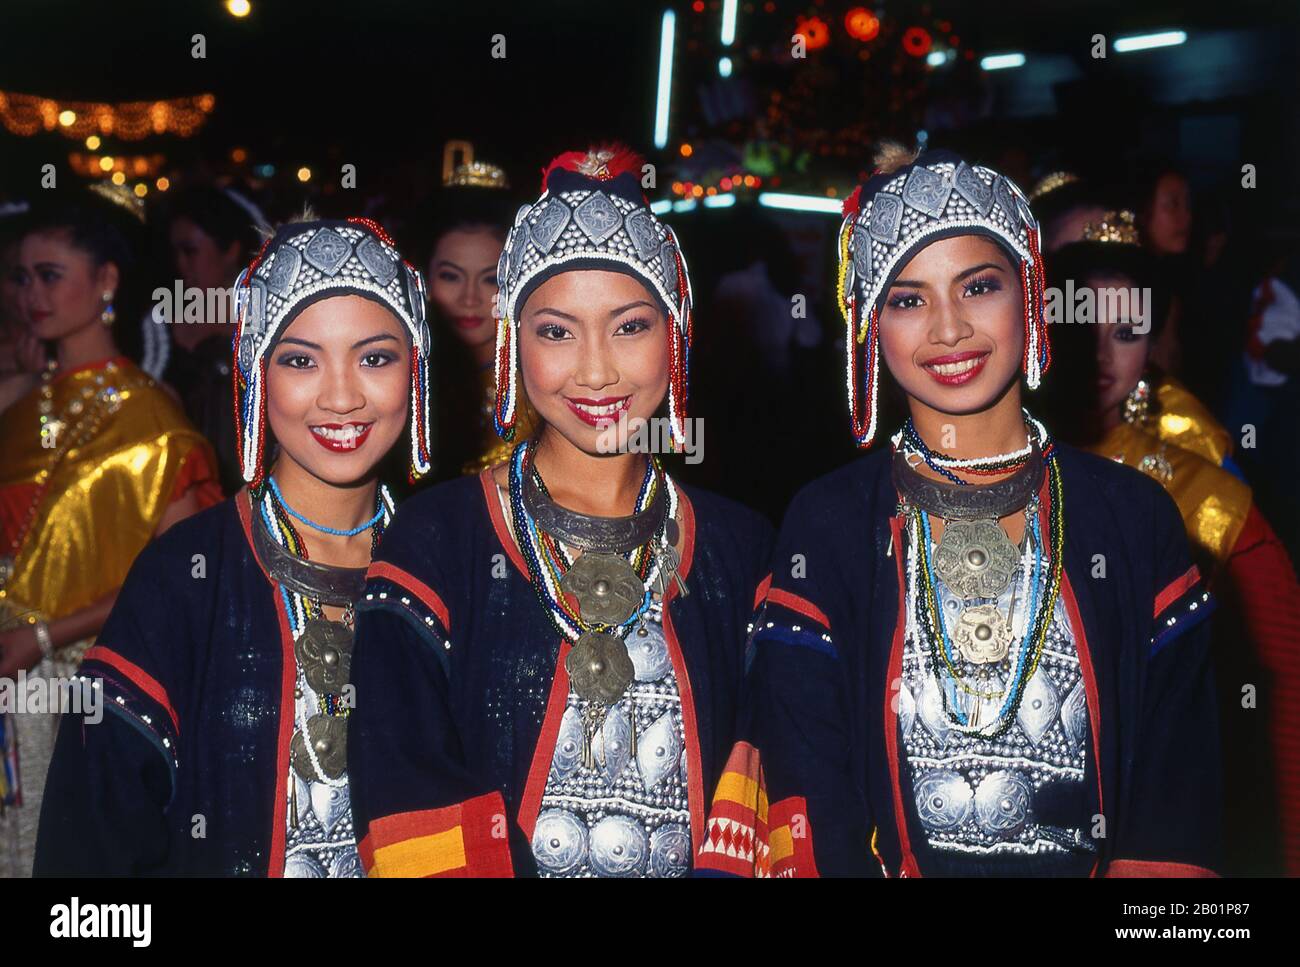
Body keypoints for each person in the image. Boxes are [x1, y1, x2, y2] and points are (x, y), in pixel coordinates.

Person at [696, 146, 1219, 877]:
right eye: (908, 299)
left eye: (977, 286)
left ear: (1030, 293)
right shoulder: (830, 522)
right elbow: (812, 798)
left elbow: (1176, 811)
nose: (947, 329)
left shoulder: (1133, 517)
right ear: (872, 328)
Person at [346, 145, 773, 877]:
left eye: (631, 326)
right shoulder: (435, 540)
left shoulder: (744, 547)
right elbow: (400, 776)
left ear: (677, 334)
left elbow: (773, 777)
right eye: (556, 331)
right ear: (511, 339)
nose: (597, 368)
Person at [33, 216, 433, 875]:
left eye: (375, 357)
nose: (341, 395)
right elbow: (93, 847)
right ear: (255, 368)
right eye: (301, 359)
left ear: (416, 369)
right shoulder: (186, 578)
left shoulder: (446, 561)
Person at [1044, 220, 1300, 875]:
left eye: (1127, 333)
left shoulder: (1205, 496)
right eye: (1076, 328)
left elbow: (1283, 702)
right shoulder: (984, 466)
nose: (1100, 355)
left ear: (1153, 344)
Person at [0, 187, 221, 877]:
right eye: (22, 276)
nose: (32, 292)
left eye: (51, 274)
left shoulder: (151, 418)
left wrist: (38, 638)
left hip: (84, 689)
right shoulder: (20, 403)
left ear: (106, 281)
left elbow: (177, 580)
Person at [418, 176, 539, 476]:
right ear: (426, 280)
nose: (469, 298)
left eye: (489, 280)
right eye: (451, 276)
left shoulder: (542, 387)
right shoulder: (405, 380)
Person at [152, 184, 269, 495]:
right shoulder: (156, 327)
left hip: (255, 492)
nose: (181, 264)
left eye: (190, 250)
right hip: (178, 491)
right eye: (175, 252)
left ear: (229, 248)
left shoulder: (269, 324)